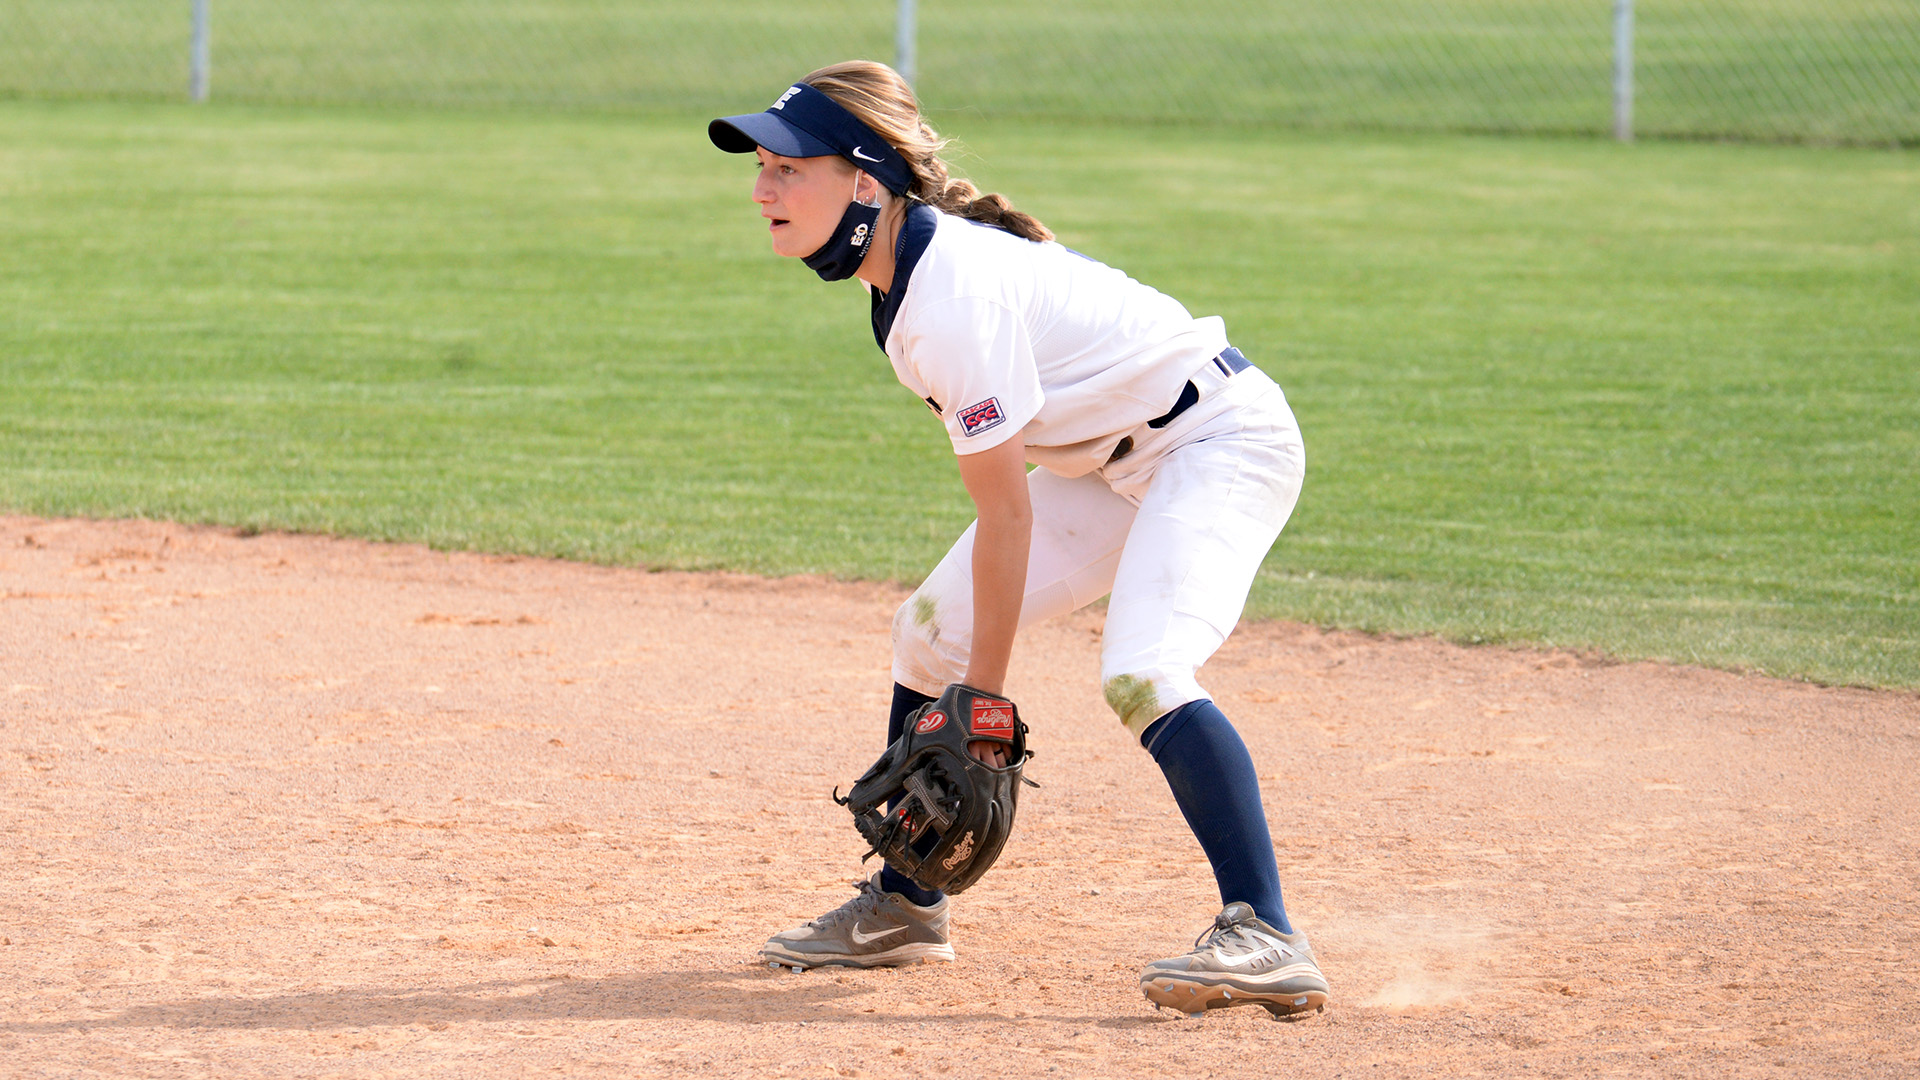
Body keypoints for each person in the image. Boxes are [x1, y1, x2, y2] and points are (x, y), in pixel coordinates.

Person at [707, 61, 1328, 1017]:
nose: (762, 189)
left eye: (789, 166)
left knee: (1145, 670)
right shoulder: (904, 274)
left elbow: (1009, 517)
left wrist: (982, 712)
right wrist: (964, 687)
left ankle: (1266, 931)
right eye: (760, 165)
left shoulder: (950, 298)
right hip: (1115, 463)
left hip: (1216, 442)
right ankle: (907, 908)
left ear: (865, 181)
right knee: (927, 631)